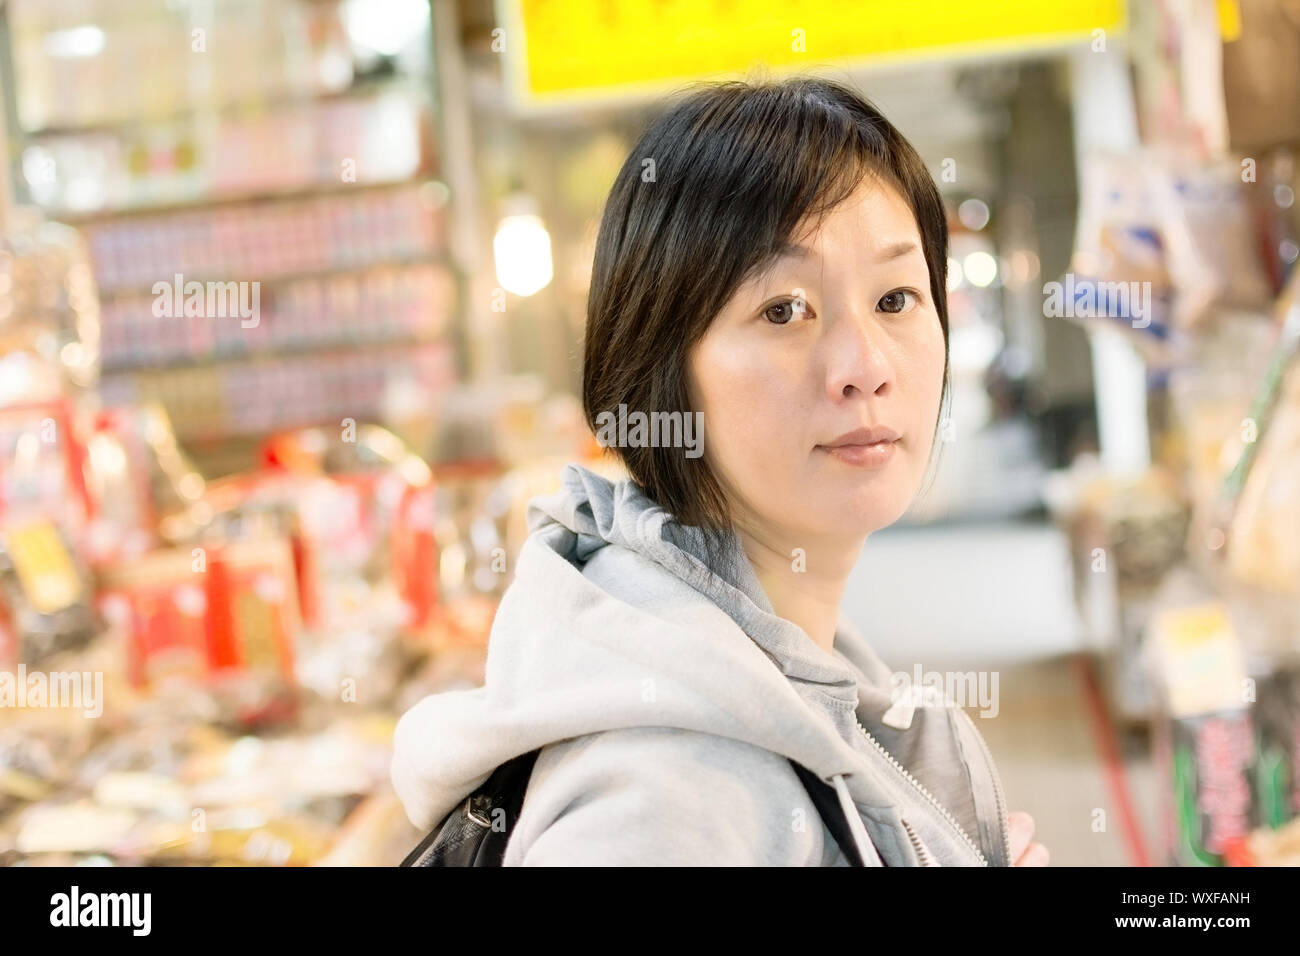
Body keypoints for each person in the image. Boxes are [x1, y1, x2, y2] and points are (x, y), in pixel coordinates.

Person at [392, 74, 1049, 866]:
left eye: (897, 298)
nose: (866, 366)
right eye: (783, 311)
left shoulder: (784, 662)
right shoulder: (669, 795)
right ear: (659, 370)